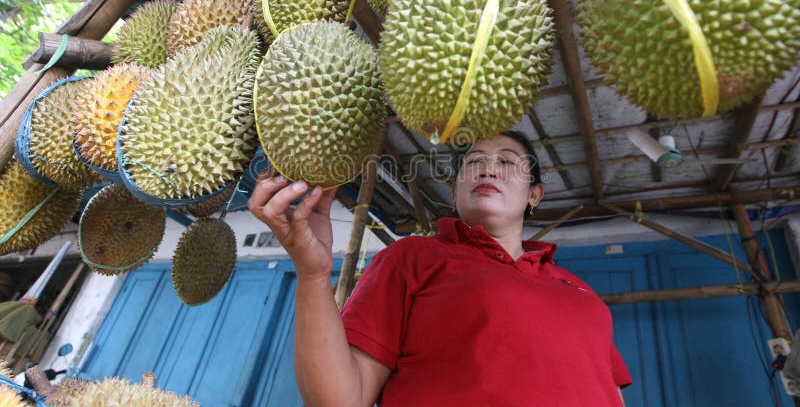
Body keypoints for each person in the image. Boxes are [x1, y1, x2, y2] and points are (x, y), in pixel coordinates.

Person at [249, 131, 632, 406]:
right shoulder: (412, 258)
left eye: (507, 162)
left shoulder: (579, 291)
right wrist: (313, 274)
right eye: (475, 162)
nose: (488, 170)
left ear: (534, 195)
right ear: (454, 191)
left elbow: (610, 393)